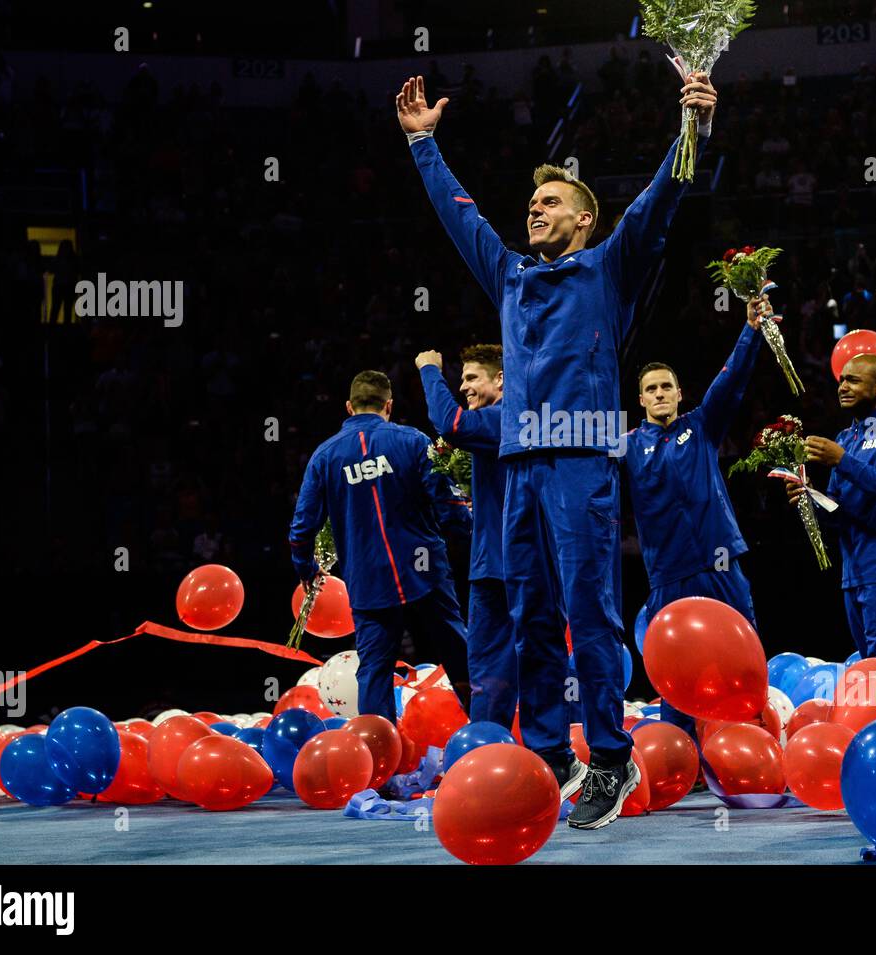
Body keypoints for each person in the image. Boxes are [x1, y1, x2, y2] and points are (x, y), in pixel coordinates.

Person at [396, 66, 717, 829]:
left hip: (580, 463)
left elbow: (660, 201)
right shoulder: (508, 274)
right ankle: (549, 752)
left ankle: (610, 755)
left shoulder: (609, 266)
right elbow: (458, 216)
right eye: (532, 202)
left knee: (587, 607)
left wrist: (693, 131)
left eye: (550, 203)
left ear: (582, 221)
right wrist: (422, 146)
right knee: (527, 612)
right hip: (516, 469)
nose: (533, 209)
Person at [623, 294, 771, 739]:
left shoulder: (700, 426)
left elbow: (731, 381)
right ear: (642, 400)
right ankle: (679, 751)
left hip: (719, 559)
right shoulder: (627, 447)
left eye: (666, 386)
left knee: (743, 651)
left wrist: (750, 330)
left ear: (679, 393)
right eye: (651, 389)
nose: (660, 394)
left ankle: (754, 739)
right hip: (668, 573)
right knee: (677, 664)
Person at [289, 370, 471, 723]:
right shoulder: (413, 441)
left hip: (368, 580)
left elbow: (300, 530)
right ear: (389, 405)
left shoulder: (324, 456)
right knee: (457, 650)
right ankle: (490, 732)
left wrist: (307, 570)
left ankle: (377, 757)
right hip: (424, 571)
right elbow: (448, 504)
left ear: (348, 406)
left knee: (374, 669)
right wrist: (467, 540)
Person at [782, 354, 876, 673]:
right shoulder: (845, 439)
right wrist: (809, 500)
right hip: (855, 576)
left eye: (853, 380)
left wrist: (843, 462)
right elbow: (840, 511)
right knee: (874, 678)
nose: (843, 387)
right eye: (841, 381)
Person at [415, 344, 517, 726]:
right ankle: (491, 749)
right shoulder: (495, 424)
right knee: (489, 671)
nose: (464, 387)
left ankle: (525, 752)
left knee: (502, 666)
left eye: (472, 378)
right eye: (462, 379)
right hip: (491, 564)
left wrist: (429, 370)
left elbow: (450, 423)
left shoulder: (503, 417)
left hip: (510, 567)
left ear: (501, 379)